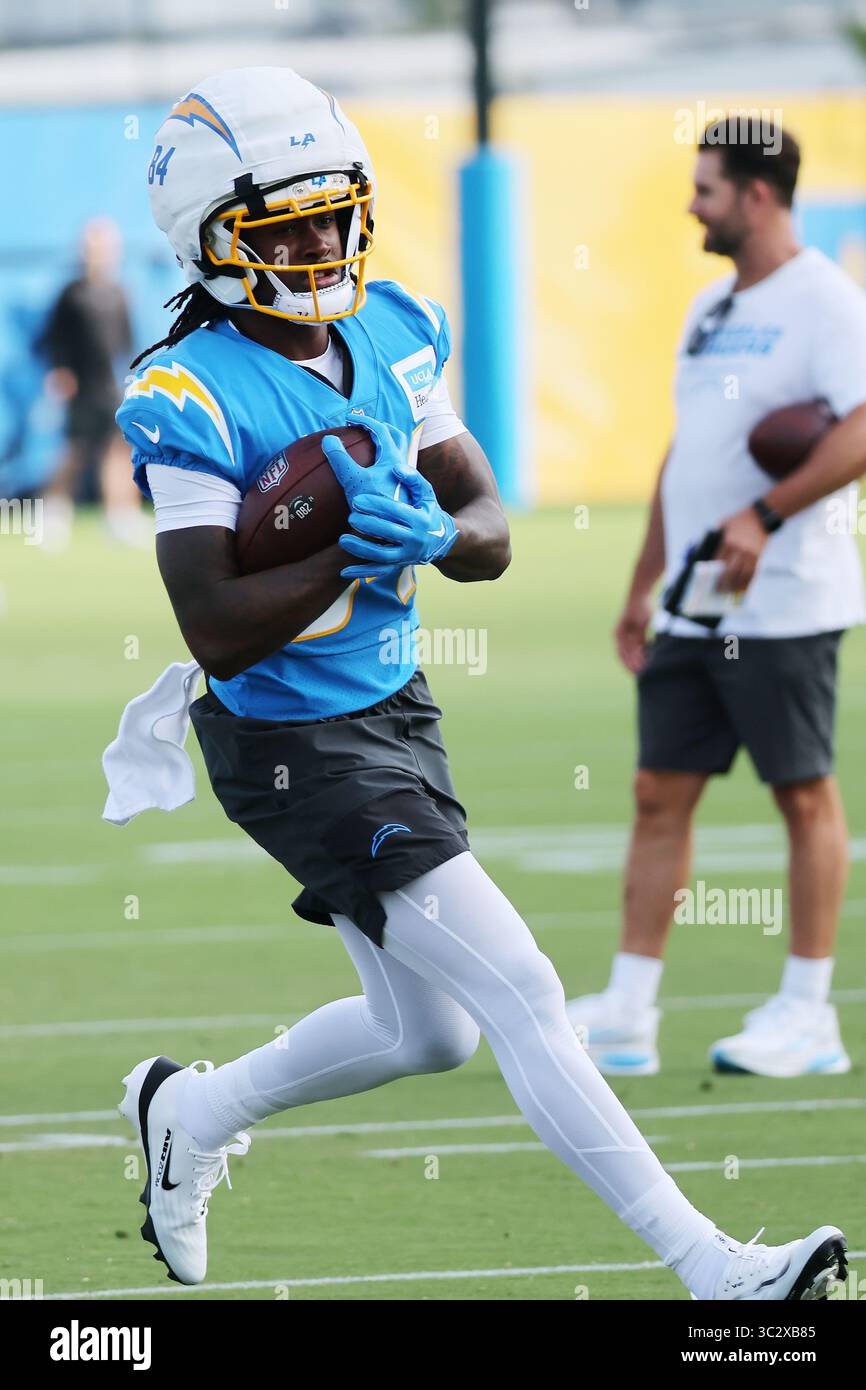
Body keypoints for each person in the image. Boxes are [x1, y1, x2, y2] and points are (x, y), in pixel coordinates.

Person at [112, 72, 846, 1299]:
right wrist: (345, 547)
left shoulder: (395, 331)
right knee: (521, 989)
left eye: (329, 214)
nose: (315, 246)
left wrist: (436, 538)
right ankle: (716, 1269)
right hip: (290, 740)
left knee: (428, 1031)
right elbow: (213, 623)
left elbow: (489, 528)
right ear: (211, 241)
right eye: (278, 228)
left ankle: (188, 1110)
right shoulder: (187, 394)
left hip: (396, 711)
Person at [567, 117, 866, 1079]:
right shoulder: (709, 308)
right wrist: (641, 582)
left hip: (784, 596)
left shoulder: (827, 301)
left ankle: (808, 1013)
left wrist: (766, 516)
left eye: (706, 189)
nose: (692, 204)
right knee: (660, 793)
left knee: (803, 792)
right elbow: (684, 450)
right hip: (696, 601)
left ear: (760, 195)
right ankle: (628, 1010)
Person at [40, 218, 147, 548]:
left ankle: (120, 517)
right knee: (76, 449)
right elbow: (54, 339)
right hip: (80, 385)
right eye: (93, 247)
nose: (99, 254)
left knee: (118, 448)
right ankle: (51, 513)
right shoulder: (71, 295)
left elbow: (128, 343)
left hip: (112, 387)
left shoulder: (119, 293)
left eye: (105, 247)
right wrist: (61, 372)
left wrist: (133, 379)